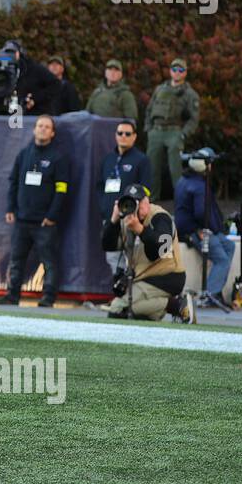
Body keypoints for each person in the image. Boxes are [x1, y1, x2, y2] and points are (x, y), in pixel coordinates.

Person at [0, 114, 70, 307]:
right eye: (40, 126)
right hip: (22, 219)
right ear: (34, 129)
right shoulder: (24, 154)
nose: (43, 129)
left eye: (47, 127)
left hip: (44, 222)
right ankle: (12, 295)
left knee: (49, 261)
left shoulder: (58, 157)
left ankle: (48, 297)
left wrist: (52, 216)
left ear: (53, 133)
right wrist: (10, 208)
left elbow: (62, 190)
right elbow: (13, 182)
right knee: (16, 259)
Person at [102, 184, 194, 323]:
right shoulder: (126, 219)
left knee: (118, 309)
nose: (136, 208)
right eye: (130, 203)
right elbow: (108, 245)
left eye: (139, 202)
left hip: (167, 276)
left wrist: (139, 229)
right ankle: (165, 308)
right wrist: (114, 220)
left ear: (147, 202)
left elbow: (159, 251)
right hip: (143, 277)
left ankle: (174, 305)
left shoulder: (160, 217)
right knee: (129, 312)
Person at [174, 147, 235, 311]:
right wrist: (203, 230)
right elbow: (202, 212)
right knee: (221, 259)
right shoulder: (199, 185)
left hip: (199, 230)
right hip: (197, 232)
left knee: (230, 245)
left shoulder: (185, 180)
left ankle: (216, 289)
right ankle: (211, 294)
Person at [99, 119, 153, 278]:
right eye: (120, 133)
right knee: (113, 257)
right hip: (111, 218)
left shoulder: (141, 160)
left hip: (131, 219)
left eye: (127, 134)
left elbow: (146, 189)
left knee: (132, 258)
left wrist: (137, 212)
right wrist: (103, 206)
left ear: (134, 137)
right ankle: (119, 296)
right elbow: (99, 186)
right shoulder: (108, 159)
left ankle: (132, 296)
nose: (123, 136)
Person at [144, 57, 200, 200]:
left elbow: (194, 119)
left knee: (175, 168)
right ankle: (151, 200)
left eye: (180, 70)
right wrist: (149, 129)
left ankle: (181, 200)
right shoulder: (160, 89)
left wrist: (183, 134)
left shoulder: (189, 93)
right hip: (156, 130)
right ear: (170, 71)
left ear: (185, 73)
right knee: (152, 168)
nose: (177, 73)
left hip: (174, 131)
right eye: (174, 69)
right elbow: (149, 110)